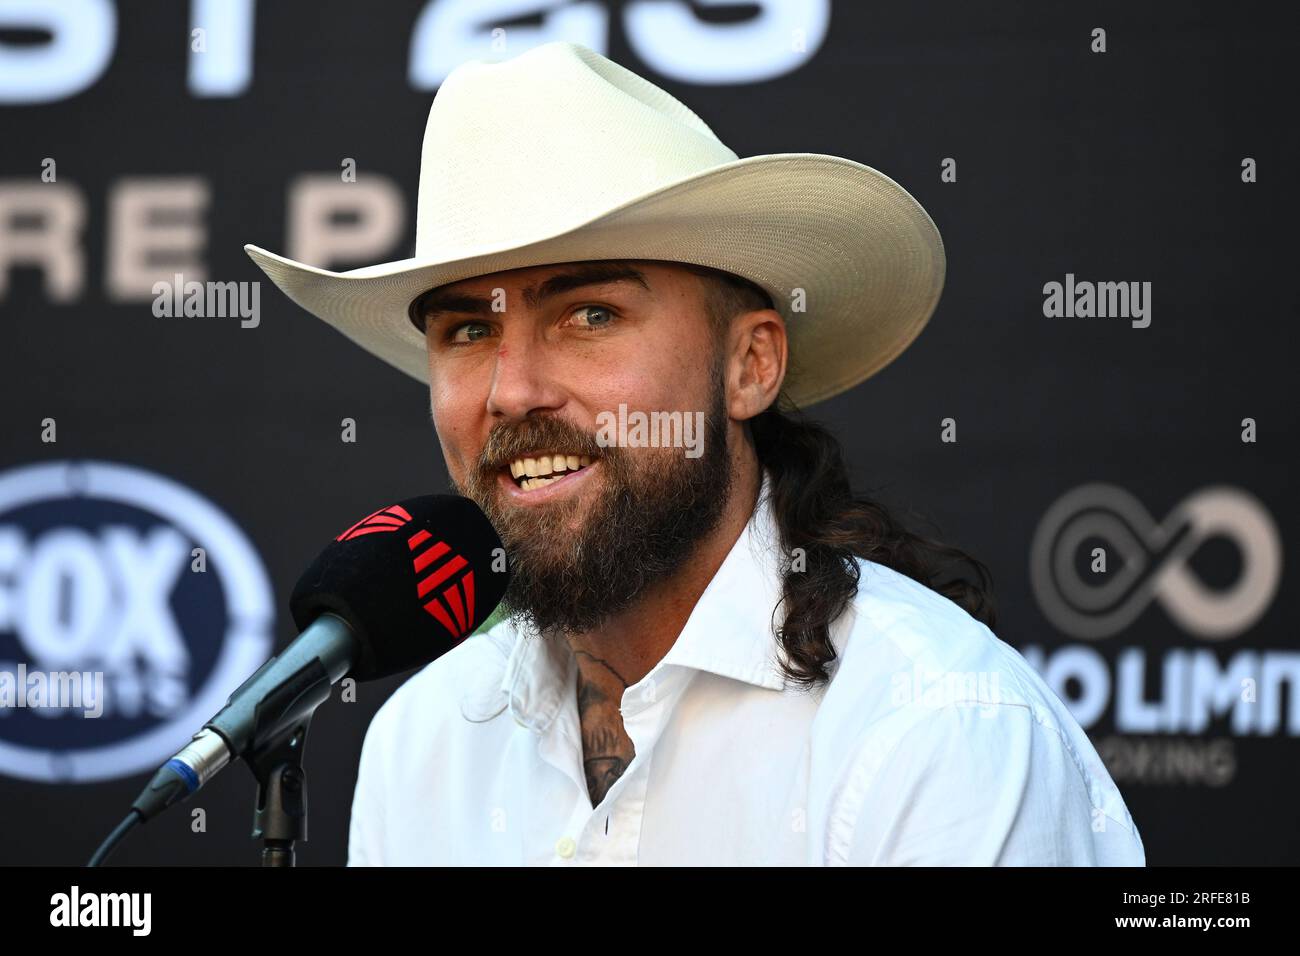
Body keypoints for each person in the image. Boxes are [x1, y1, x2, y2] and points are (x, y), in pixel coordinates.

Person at [246, 41, 1144, 865]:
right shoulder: (424, 740)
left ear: (749, 365)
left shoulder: (937, 728)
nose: (512, 390)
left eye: (589, 314)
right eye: (469, 328)